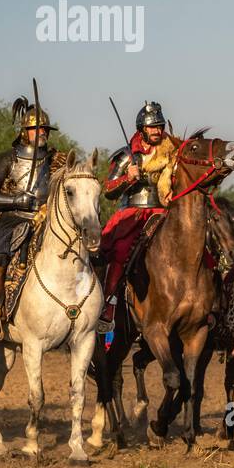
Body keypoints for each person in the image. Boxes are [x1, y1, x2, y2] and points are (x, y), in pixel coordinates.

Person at [0, 96, 63, 340]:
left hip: (48, 218)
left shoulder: (57, 160)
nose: (42, 132)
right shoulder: (9, 158)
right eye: (36, 128)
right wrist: (16, 200)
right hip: (14, 218)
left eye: (45, 129)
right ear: (25, 132)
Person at [97, 101, 171, 333]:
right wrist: (128, 178)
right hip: (135, 213)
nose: (157, 130)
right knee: (121, 250)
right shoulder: (126, 155)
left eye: (159, 126)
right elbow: (108, 189)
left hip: (165, 211)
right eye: (152, 127)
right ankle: (108, 304)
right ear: (142, 129)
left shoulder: (172, 152)